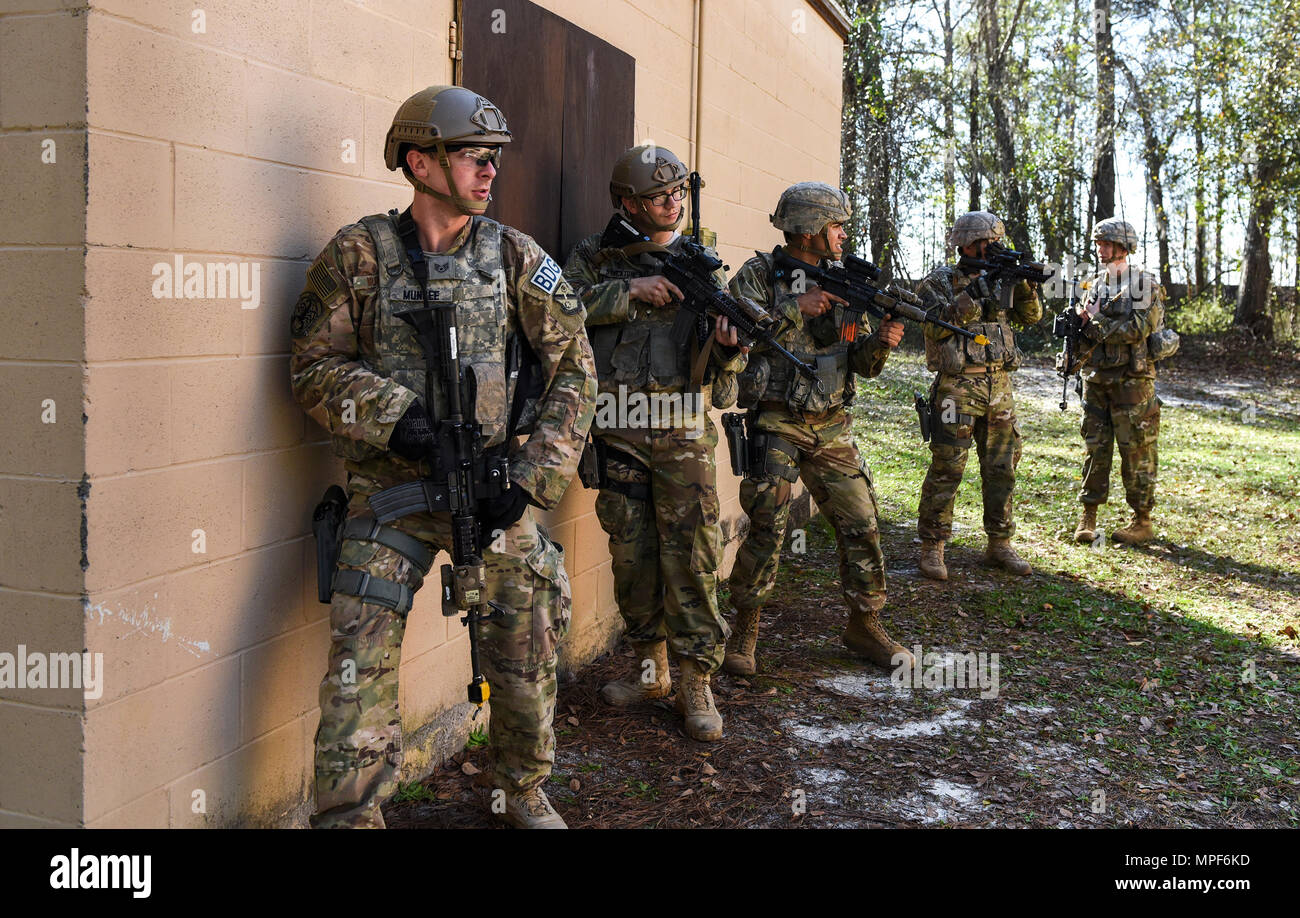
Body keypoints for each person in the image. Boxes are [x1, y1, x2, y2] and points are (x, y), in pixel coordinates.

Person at [290, 86, 596, 829]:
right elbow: (310, 366)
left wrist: (527, 484)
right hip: (386, 493)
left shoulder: (516, 256)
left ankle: (523, 786)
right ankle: (349, 818)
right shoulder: (359, 254)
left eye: (494, 159)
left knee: (525, 649)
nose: (490, 172)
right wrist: (399, 421)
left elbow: (577, 372)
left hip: (491, 489)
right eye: (473, 157)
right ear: (419, 160)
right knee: (358, 672)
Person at [562, 144, 746, 741]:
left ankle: (697, 684)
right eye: (657, 197)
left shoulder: (702, 263)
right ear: (626, 203)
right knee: (632, 556)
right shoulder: (595, 256)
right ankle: (651, 672)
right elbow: (552, 310)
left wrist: (728, 346)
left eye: (678, 194)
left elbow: (718, 374)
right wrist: (628, 292)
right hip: (617, 425)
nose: (672, 205)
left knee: (691, 557)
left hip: (682, 430)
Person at [723, 182, 912, 674]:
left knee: (863, 521)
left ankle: (864, 622)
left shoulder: (844, 280)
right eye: (836, 225)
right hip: (776, 420)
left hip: (831, 425)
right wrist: (794, 308)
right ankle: (746, 624)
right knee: (768, 523)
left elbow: (862, 363)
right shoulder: (760, 275)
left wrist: (885, 342)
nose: (844, 234)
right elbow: (734, 335)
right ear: (808, 230)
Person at [915, 211, 1041, 580]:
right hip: (957, 385)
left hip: (998, 386)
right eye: (987, 242)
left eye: (996, 242)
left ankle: (999, 543)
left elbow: (1030, 318)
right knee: (947, 468)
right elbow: (933, 325)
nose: (992, 249)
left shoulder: (1002, 278)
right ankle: (933, 547)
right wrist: (972, 295)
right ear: (966, 243)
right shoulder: (940, 280)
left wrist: (1022, 285)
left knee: (1003, 467)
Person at [1072, 218, 1165, 545]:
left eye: (1106, 244)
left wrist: (1094, 323)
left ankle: (1141, 521)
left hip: (1132, 383)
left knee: (1136, 452)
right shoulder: (1094, 283)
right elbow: (1083, 330)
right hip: (1096, 380)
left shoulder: (1145, 284)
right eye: (1098, 244)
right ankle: (1088, 516)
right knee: (1095, 450)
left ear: (1123, 246)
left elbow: (1139, 328)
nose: (1099, 249)